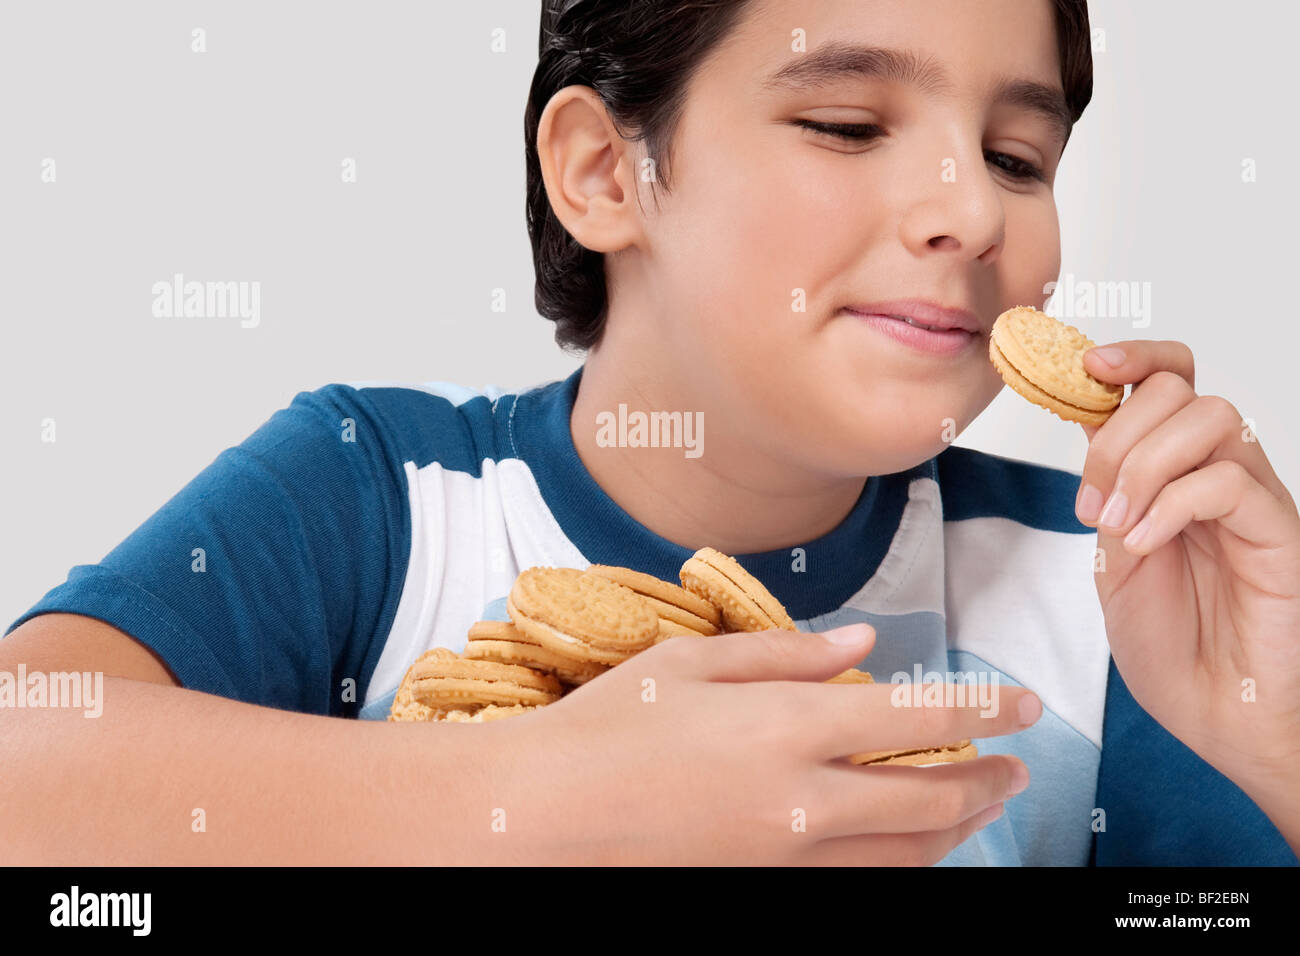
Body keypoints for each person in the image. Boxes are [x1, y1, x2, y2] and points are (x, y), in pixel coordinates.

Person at [4, 0, 1297, 865]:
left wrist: (1275, 725)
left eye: (1019, 155)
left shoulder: (1111, 581)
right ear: (606, 174)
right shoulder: (383, 497)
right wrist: (540, 801)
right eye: (847, 125)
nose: (971, 208)